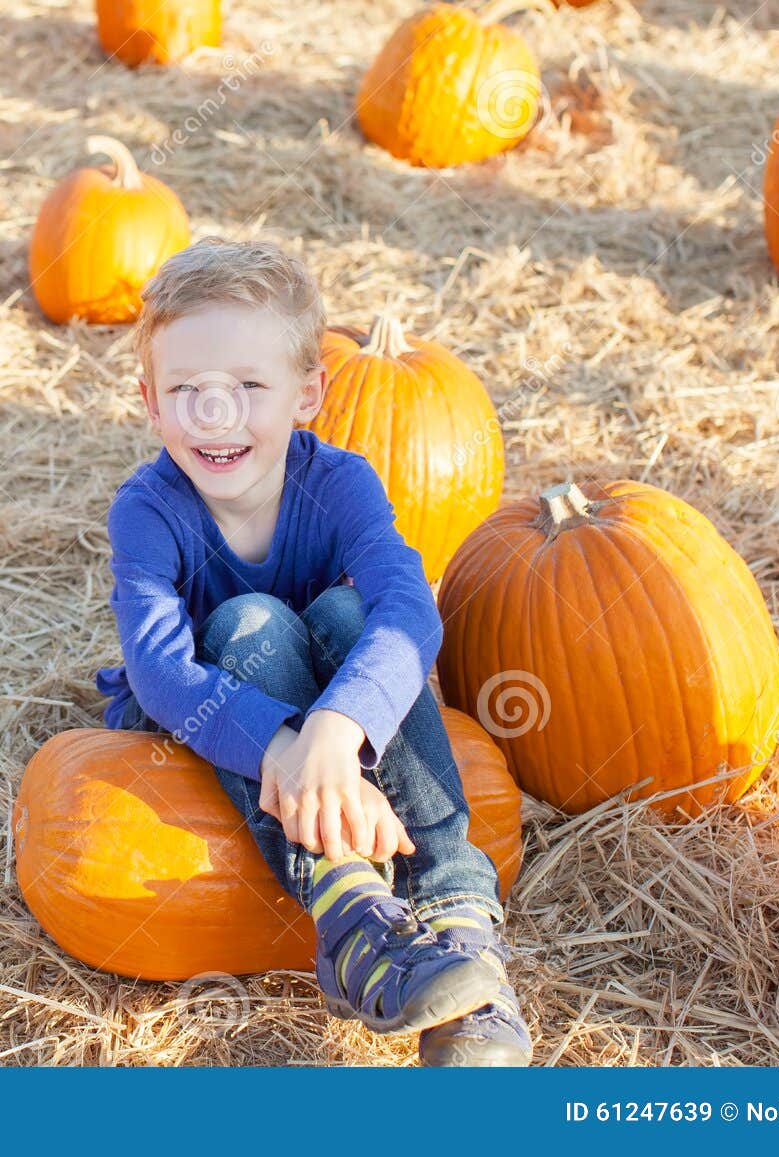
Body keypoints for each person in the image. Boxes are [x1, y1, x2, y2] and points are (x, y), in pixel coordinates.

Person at [95, 238, 531, 1065]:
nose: (214, 416)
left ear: (309, 392)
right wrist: (288, 746)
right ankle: (352, 912)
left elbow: (408, 607)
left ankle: (460, 931)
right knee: (253, 621)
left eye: (249, 388)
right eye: (187, 390)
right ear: (150, 402)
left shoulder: (341, 483)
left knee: (349, 607)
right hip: (223, 715)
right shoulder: (147, 510)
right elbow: (161, 671)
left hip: (334, 720)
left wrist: (338, 728)